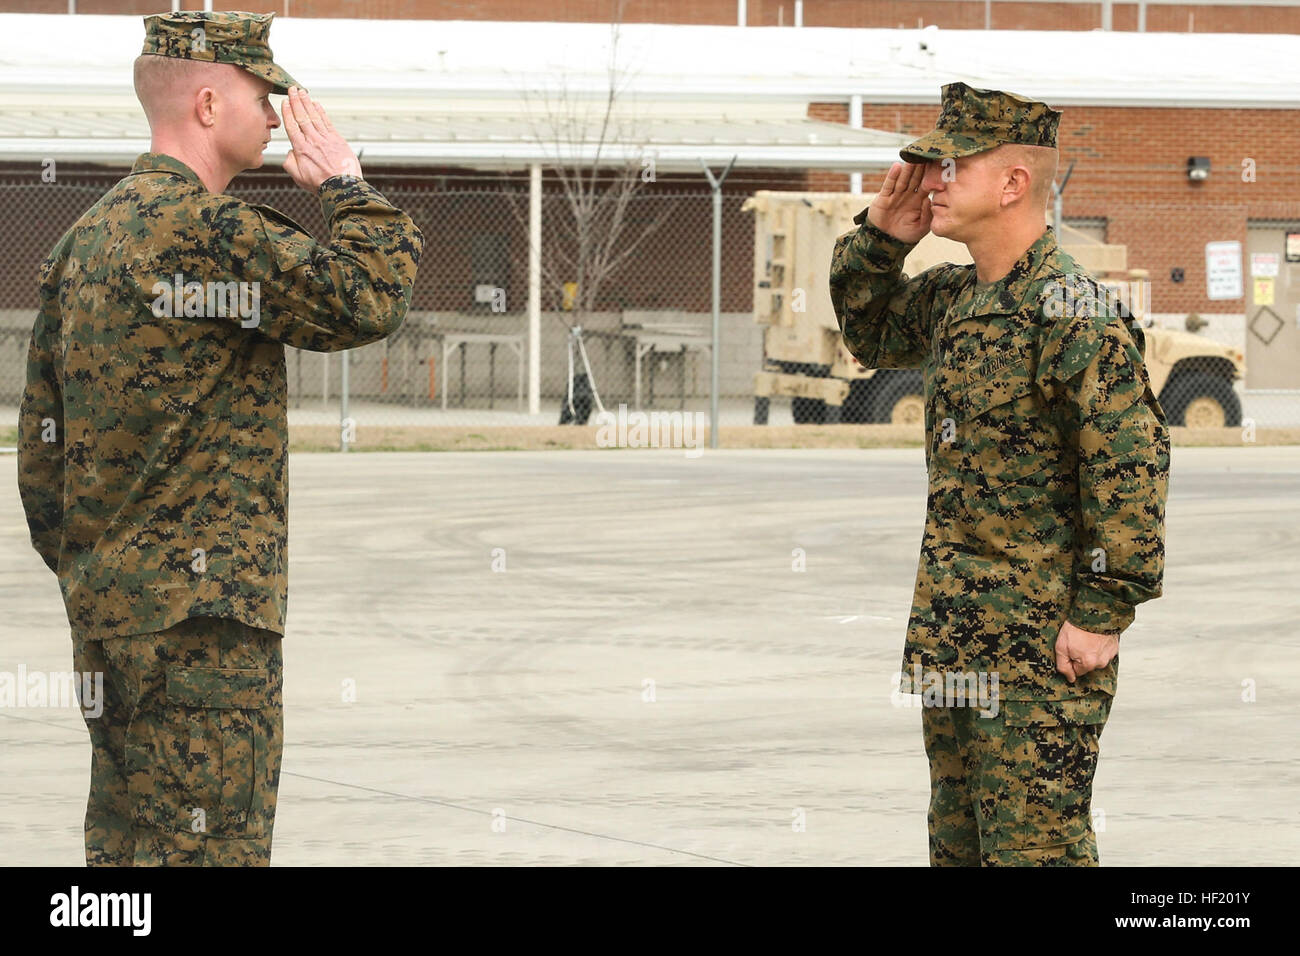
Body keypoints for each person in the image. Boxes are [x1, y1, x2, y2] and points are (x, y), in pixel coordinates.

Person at [16, 11, 423, 866]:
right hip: (206, 636)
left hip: (111, 626)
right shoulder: (212, 235)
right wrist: (345, 183)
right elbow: (371, 294)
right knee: (210, 855)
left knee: (127, 862)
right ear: (207, 104)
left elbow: (41, 461)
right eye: (262, 92)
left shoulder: (78, 246)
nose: (277, 113)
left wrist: (103, 578)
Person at [830, 82, 1169, 866]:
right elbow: (870, 329)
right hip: (955, 644)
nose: (934, 181)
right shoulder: (958, 299)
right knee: (959, 853)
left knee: (1036, 856)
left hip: (1038, 655)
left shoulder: (1072, 314)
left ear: (1014, 183)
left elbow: (1130, 469)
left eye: (952, 165)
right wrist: (883, 236)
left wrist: (1103, 611)